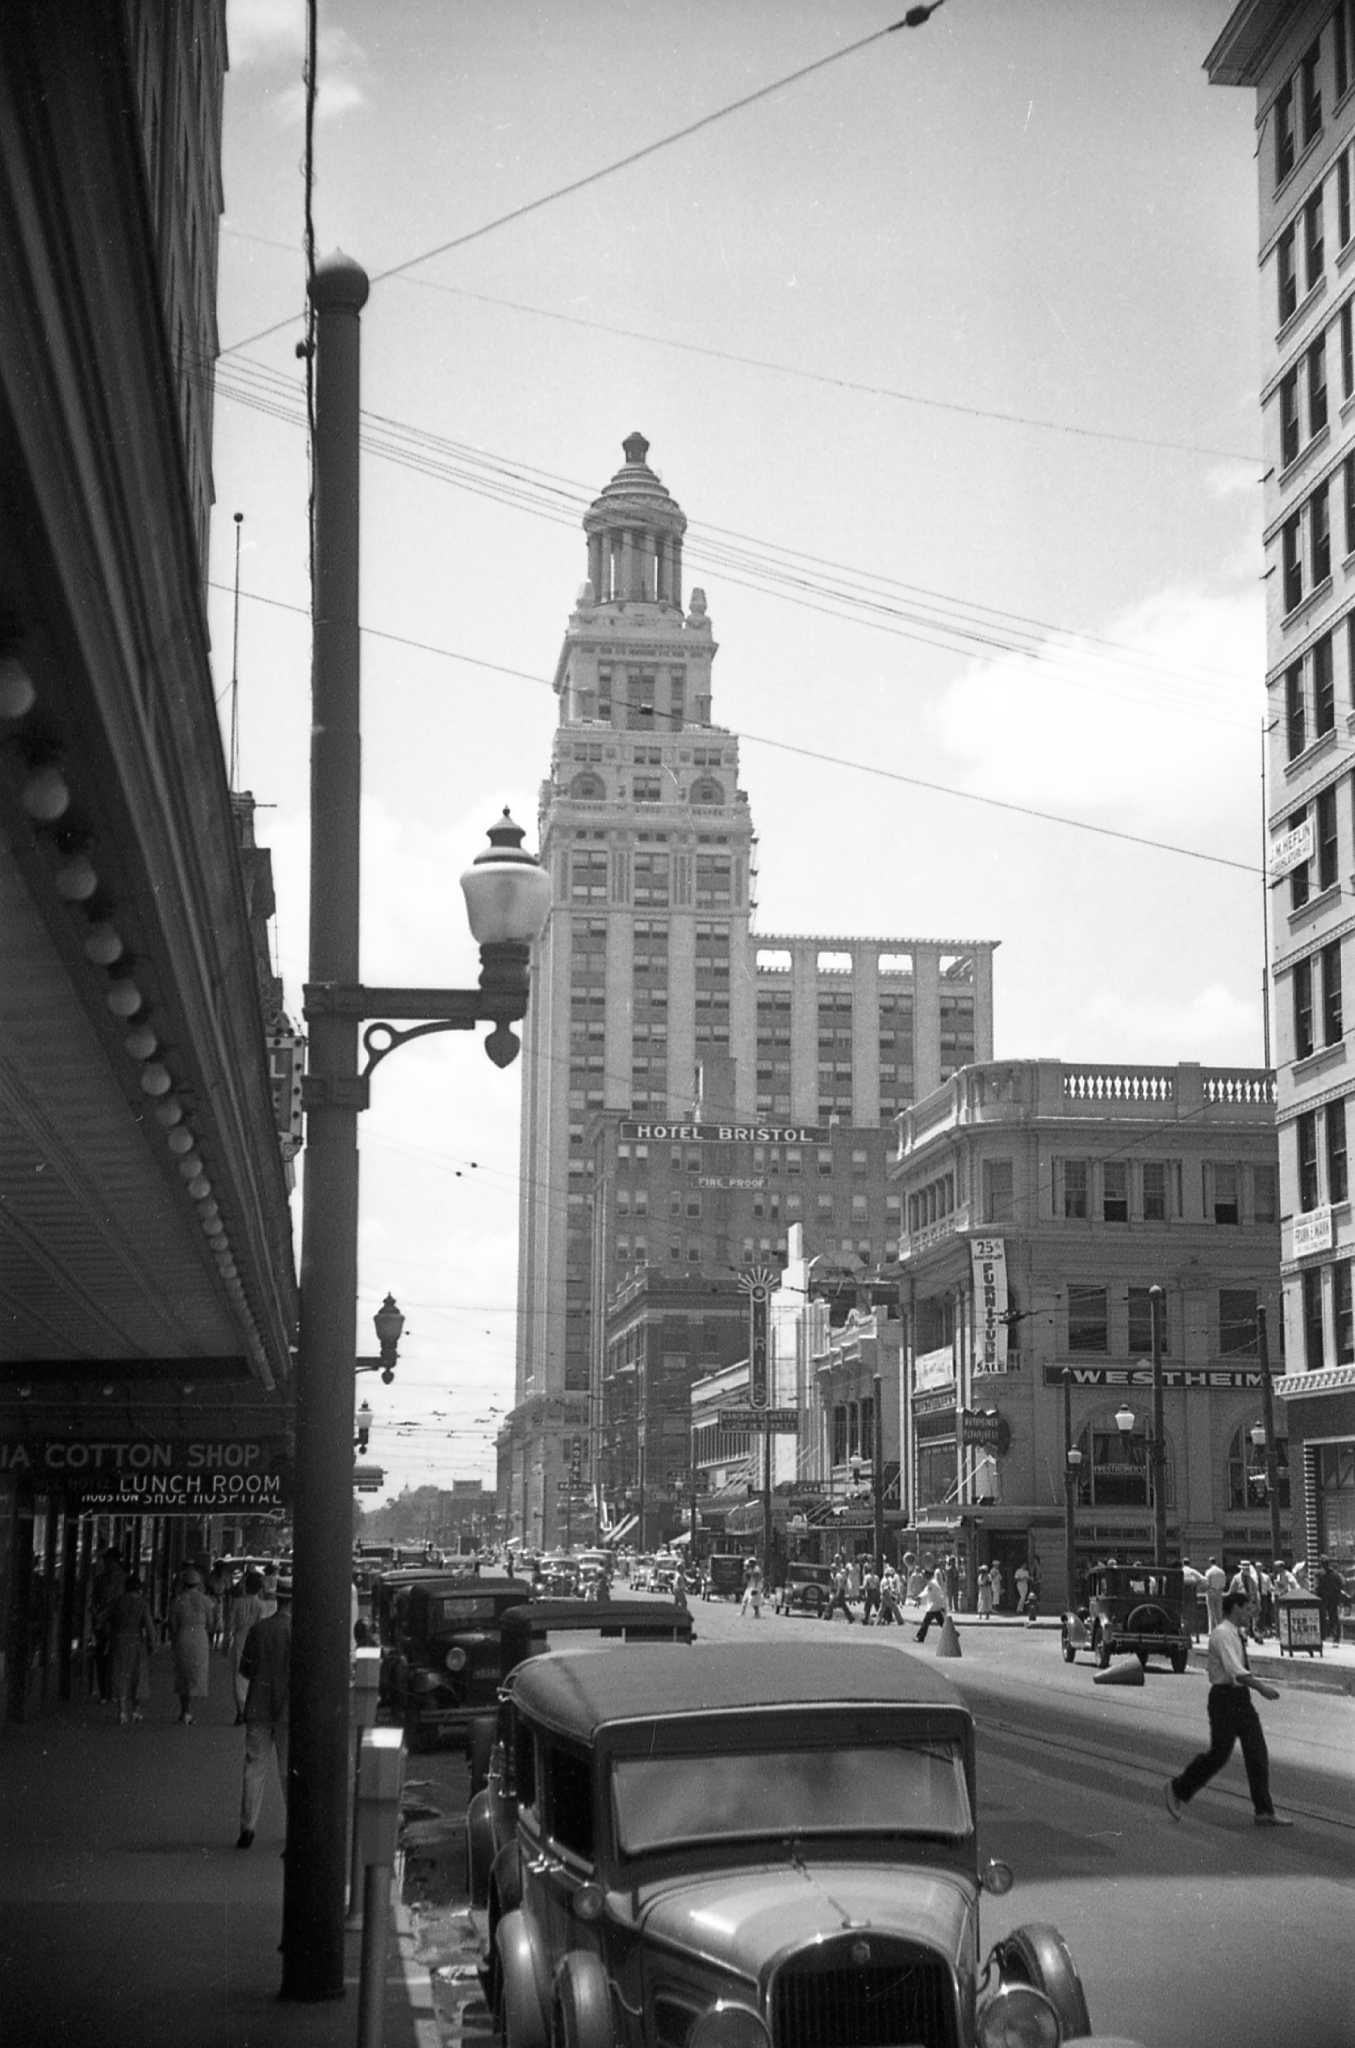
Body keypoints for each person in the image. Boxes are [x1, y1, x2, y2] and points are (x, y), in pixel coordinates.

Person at [1164, 1589, 1290, 1827]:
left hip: (1239, 1698)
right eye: (1246, 1609)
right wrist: (1262, 1688)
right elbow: (1235, 1670)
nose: (1249, 1614)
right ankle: (1178, 1788)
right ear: (1235, 1609)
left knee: (1256, 1751)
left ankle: (1263, 1810)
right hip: (1225, 1698)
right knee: (1219, 1753)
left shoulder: (1235, 1633)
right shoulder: (1222, 1634)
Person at [236, 1578, 292, 1849]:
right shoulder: (299, 1632)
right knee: (288, 1770)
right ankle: (295, 1825)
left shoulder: (259, 1630)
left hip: (258, 1706)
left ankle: (247, 1827)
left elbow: (245, 1669)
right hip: (289, 1711)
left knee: (254, 1768)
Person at [106, 1570, 155, 1725]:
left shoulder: (117, 1601)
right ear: (139, 1588)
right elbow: (149, 1626)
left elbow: (106, 1618)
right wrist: (152, 1643)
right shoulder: (142, 1603)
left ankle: (121, 1711)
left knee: (121, 1673)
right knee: (137, 1675)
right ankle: (135, 1710)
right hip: (135, 1641)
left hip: (119, 1640)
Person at [167, 1565, 214, 1725]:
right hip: (200, 1636)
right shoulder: (206, 1601)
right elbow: (211, 1622)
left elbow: (172, 1625)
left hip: (183, 1635)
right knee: (196, 1672)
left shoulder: (178, 1600)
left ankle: (185, 1710)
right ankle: (190, 1710)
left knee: (183, 1673)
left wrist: (173, 1640)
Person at [227, 1568, 266, 1724]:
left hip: (239, 1639)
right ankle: (250, 1709)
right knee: (253, 1676)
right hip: (254, 1641)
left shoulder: (237, 1602)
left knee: (238, 1676)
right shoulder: (260, 1605)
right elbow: (260, 1626)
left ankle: (240, 1710)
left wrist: (224, 1643)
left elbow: (230, 1624)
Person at [91, 1547, 126, 1707]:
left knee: (112, 1658)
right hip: (105, 1623)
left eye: (108, 1560)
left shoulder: (123, 1580)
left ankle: (110, 1691)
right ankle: (106, 1691)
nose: (105, 1563)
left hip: (114, 1623)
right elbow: (95, 1600)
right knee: (104, 1657)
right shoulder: (101, 1580)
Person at [1314, 1556, 1351, 1641]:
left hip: (1322, 1599)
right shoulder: (1336, 1573)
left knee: (1321, 1617)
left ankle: (1323, 1636)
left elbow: (1316, 1586)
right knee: (1334, 1618)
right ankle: (1336, 1637)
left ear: (1321, 1563)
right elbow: (1342, 1584)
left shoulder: (1318, 1573)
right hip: (1333, 1599)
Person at [914, 1568, 949, 1641]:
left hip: (933, 1607)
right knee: (942, 1623)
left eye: (924, 1575)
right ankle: (953, 1633)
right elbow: (926, 1591)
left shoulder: (932, 1583)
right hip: (935, 1606)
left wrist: (919, 1598)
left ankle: (920, 1637)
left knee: (926, 1622)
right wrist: (919, 1597)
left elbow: (930, 1593)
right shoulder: (931, 1583)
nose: (923, 1577)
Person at [1203, 1556, 1227, 1631]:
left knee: (1211, 1613)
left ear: (1210, 1562)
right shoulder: (1222, 1571)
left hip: (1211, 1592)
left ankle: (1212, 1631)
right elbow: (1224, 1584)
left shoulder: (1208, 1571)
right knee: (1219, 1613)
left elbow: (1206, 1583)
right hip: (1219, 1592)